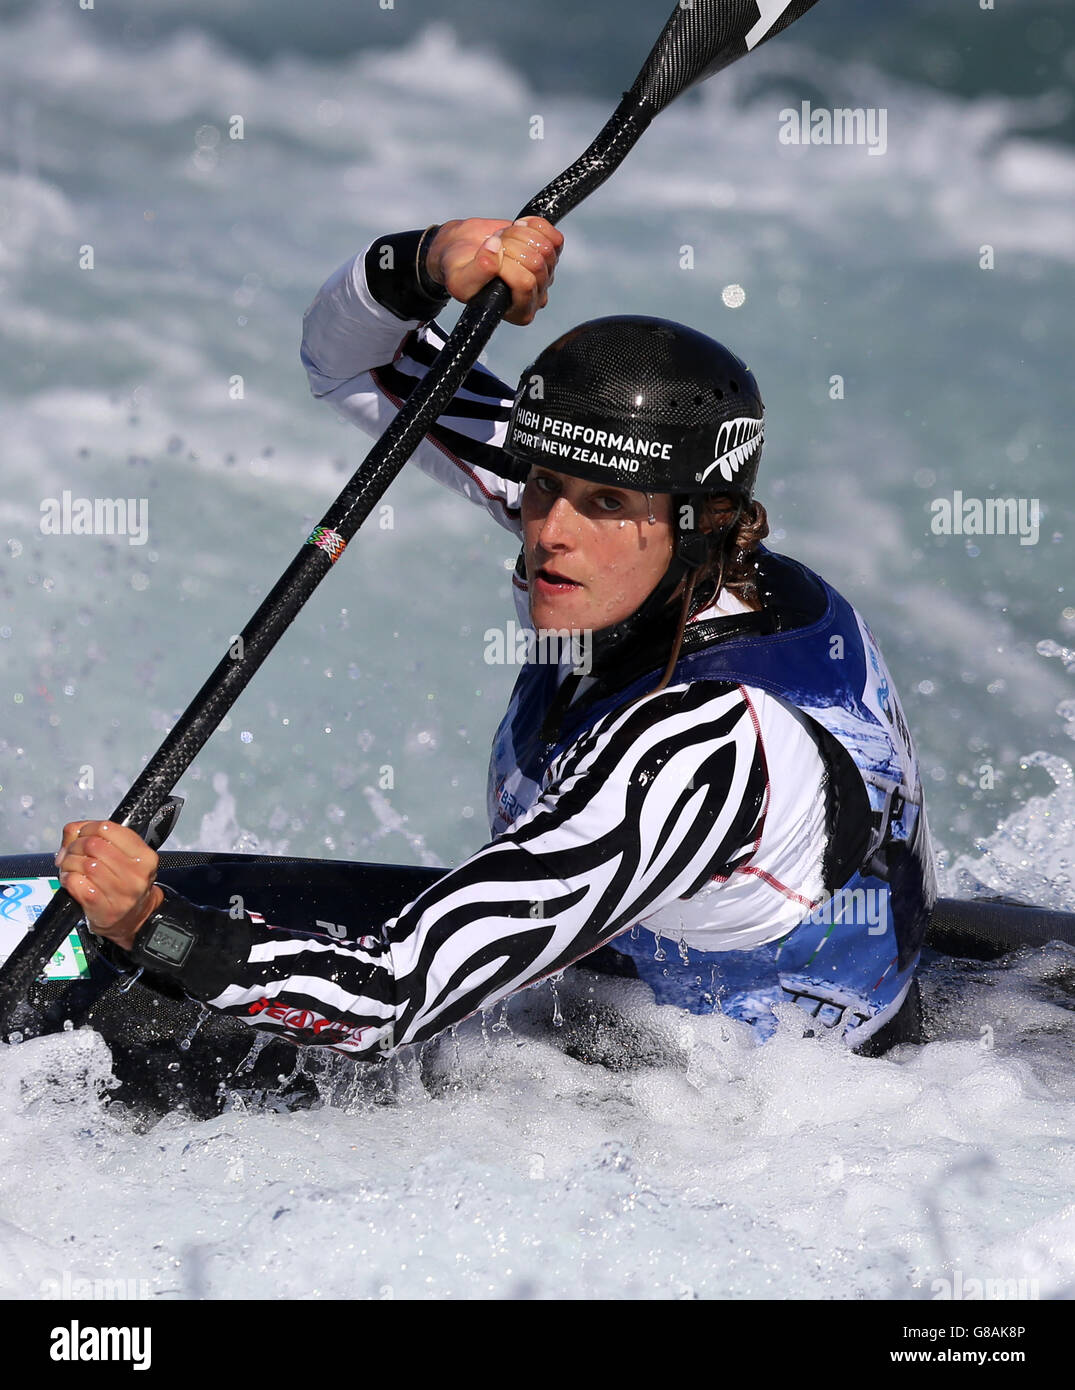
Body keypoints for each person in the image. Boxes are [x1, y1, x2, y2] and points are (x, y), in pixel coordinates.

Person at [54, 215, 935, 1062]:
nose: (550, 530)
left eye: (605, 505)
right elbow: (351, 363)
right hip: (607, 979)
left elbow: (393, 996)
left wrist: (152, 926)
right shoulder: (637, 544)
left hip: (737, 1111)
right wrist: (428, 263)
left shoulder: (704, 748)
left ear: (705, 525)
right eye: (544, 484)